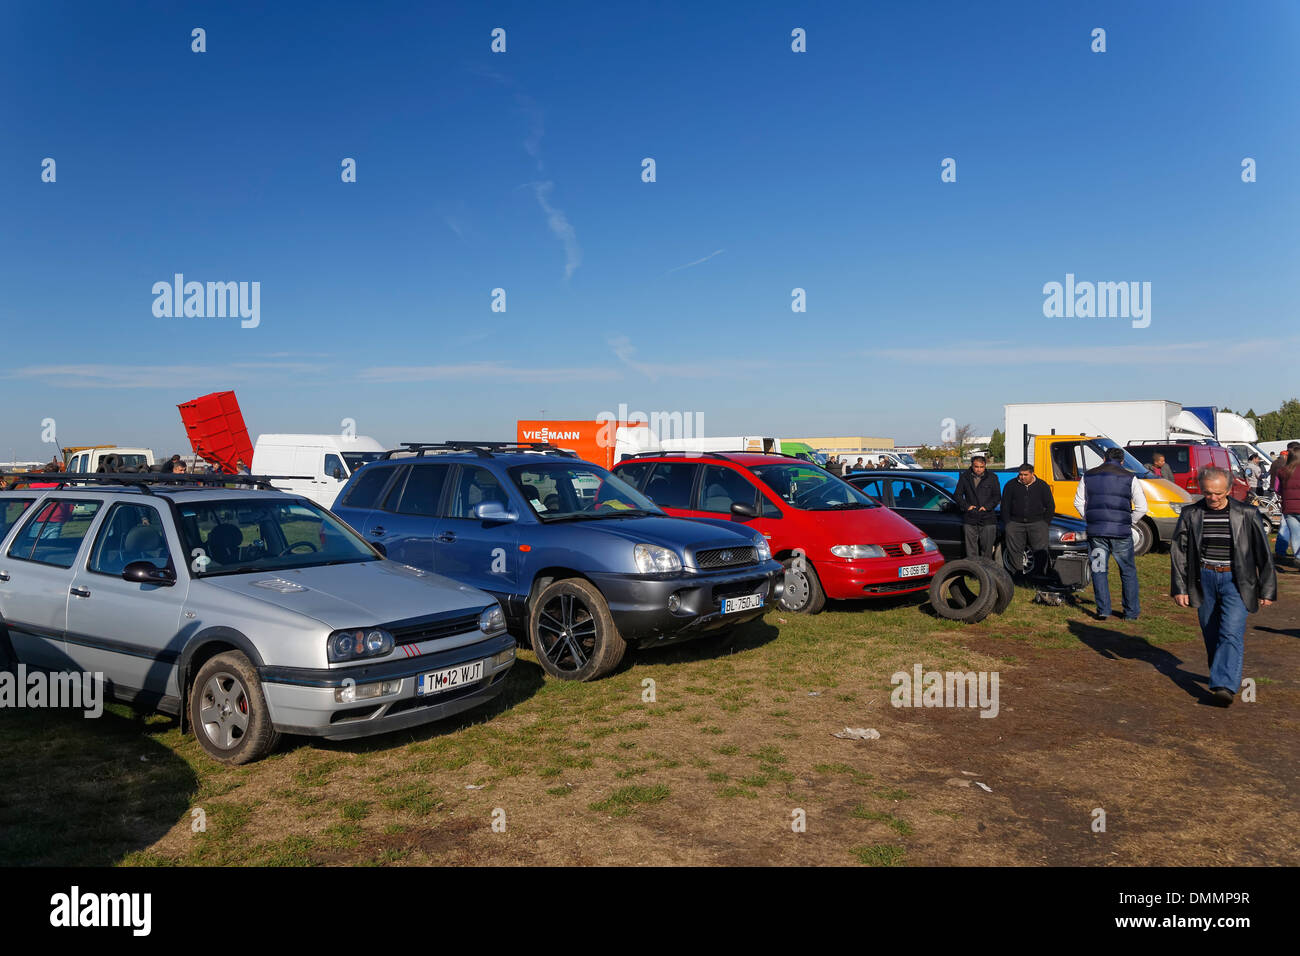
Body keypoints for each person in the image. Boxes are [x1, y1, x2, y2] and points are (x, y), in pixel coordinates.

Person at [1170, 466, 1276, 706]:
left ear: (1229, 490)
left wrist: (1267, 589)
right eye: (1208, 493)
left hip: (1237, 581)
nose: (1213, 498)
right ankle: (1220, 675)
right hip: (1204, 579)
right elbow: (1179, 552)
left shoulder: (1247, 514)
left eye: (1218, 493)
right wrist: (1180, 587)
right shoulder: (1191, 513)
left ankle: (1224, 687)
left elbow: (1263, 554)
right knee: (1211, 634)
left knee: (1230, 632)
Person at [1074, 447, 1147, 621]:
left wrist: (1090, 518)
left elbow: (1078, 502)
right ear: (1122, 461)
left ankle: (1103, 610)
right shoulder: (1130, 477)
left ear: (1104, 459)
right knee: (1127, 571)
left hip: (1096, 532)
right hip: (1121, 533)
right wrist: (1129, 521)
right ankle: (1131, 612)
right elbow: (1142, 507)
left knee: (1099, 570)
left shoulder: (1089, 475)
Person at [1001, 463, 1055, 575]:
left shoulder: (1042, 485)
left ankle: (1039, 575)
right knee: (1015, 551)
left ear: (1032, 474)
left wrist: (1045, 523)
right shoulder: (1011, 485)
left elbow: (1050, 505)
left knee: (1040, 551)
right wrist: (1008, 523)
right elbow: (1005, 506)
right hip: (1015, 524)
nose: (1022, 477)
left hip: (1037, 523)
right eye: (1020, 474)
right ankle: (1018, 574)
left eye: (1025, 475)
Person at [955, 456, 1000, 558]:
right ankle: (973, 572)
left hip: (988, 518)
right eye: (976, 467)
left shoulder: (992, 477)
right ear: (972, 465)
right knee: (971, 551)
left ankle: (987, 572)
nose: (979, 469)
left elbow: (997, 496)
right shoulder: (964, 477)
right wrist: (967, 506)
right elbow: (957, 495)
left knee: (987, 550)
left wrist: (987, 507)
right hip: (970, 517)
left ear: (985, 466)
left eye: (981, 467)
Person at [1270, 442, 1300, 570]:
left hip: (1289, 508)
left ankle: (1298, 558)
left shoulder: (1282, 471)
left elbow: (1277, 489)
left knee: (1295, 535)